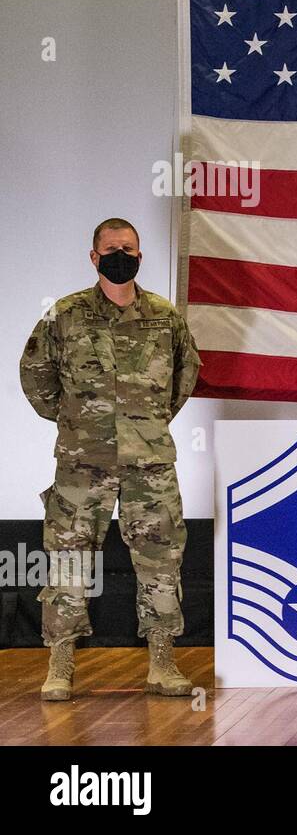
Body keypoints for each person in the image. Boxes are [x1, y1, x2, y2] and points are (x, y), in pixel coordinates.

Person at [19, 217, 202, 701]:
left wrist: (146, 422)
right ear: (94, 257)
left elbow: (184, 378)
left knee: (161, 560)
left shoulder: (165, 317)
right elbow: (35, 374)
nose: (121, 254)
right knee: (67, 562)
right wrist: (76, 422)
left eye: (129, 247)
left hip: (150, 463)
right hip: (83, 463)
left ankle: (162, 665)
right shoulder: (66, 315)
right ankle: (60, 667)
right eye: (111, 247)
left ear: (140, 256)